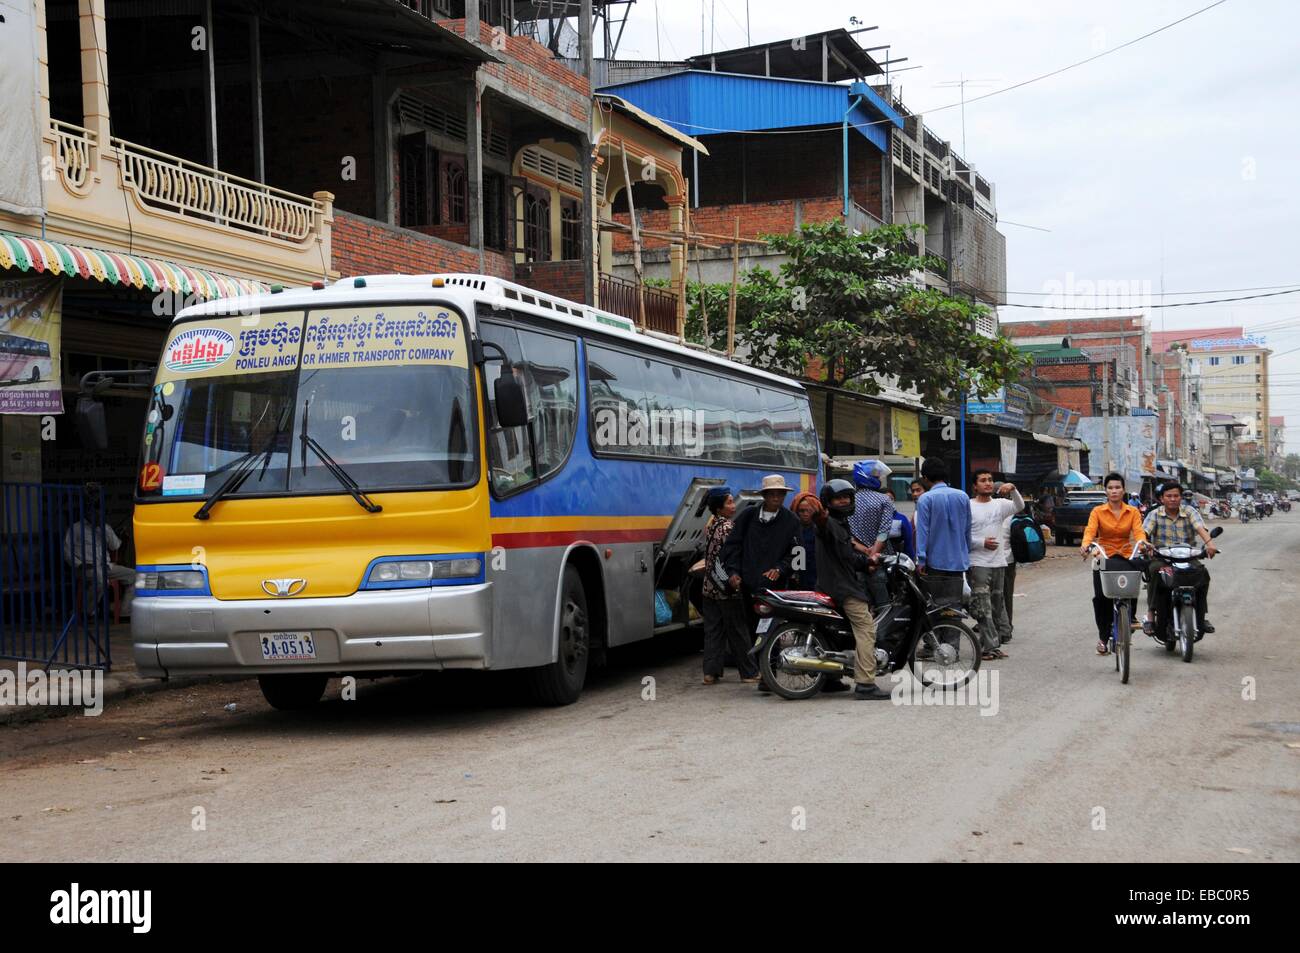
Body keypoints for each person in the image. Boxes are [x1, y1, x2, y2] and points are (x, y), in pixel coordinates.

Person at [808, 480, 889, 701]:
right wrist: (867, 562)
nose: (844, 501)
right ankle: (865, 683)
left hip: (830, 583)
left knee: (833, 633)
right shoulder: (831, 523)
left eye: (847, 497)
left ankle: (829, 678)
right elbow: (842, 551)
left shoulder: (840, 523)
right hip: (842, 587)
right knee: (866, 628)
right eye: (838, 498)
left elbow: (845, 554)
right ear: (828, 502)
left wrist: (865, 561)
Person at [722, 474, 801, 637]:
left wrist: (780, 569)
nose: (776, 497)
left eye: (780, 493)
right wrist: (733, 572)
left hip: (775, 589)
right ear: (764, 495)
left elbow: (799, 556)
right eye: (772, 493)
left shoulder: (792, 520)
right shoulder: (748, 516)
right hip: (746, 585)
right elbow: (732, 547)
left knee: (771, 632)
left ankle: (768, 661)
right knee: (747, 629)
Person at [1079, 472, 1147, 655]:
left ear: (1124, 490)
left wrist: (1143, 543)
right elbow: (1090, 532)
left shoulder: (1132, 511)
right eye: (1110, 488)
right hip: (1104, 555)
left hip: (1125, 554)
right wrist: (1086, 545)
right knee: (1101, 597)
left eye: (1117, 487)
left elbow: (1139, 532)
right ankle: (1103, 637)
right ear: (1106, 491)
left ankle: (1130, 616)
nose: (1114, 491)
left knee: (1135, 573)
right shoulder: (1097, 512)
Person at [1141, 482, 1217, 638]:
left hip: (1188, 557)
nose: (1173, 499)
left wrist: (1210, 544)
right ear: (1162, 498)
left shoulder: (1190, 511)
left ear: (1181, 497)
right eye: (1169, 496)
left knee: (1203, 574)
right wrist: (1144, 544)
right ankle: (1150, 615)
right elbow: (1144, 533)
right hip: (1162, 559)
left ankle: (1202, 616)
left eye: (1176, 496)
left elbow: (1200, 528)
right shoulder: (1154, 514)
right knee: (1154, 571)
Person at [700, 487, 759, 685]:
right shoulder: (727, 527)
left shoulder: (710, 525)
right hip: (726, 586)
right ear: (719, 508)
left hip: (709, 586)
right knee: (738, 631)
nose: (734, 506)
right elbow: (735, 553)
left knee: (713, 631)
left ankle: (710, 673)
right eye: (729, 503)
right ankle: (749, 673)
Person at [967, 470, 1023, 661]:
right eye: (983, 480)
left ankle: (993, 644)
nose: (988, 483)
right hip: (978, 562)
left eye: (990, 480)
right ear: (975, 486)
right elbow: (963, 535)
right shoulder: (968, 506)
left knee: (997, 605)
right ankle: (988, 646)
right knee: (982, 606)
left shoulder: (1000, 505)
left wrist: (1013, 489)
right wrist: (982, 543)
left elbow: (1019, 505)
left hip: (999, 562)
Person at [62, 485, 134, 618]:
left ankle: (124, 612)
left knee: (135, 576)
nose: (95, 514)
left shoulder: (104, 528)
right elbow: (67, 551)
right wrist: (79, 564)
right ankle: (87, 612)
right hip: (85, 567)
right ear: (87, 513)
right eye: (92, 512)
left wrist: (104, 529)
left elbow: (115, 546)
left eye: (98, 512)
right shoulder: (76, 528)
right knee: (100, 580)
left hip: (106, 566)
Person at [914, 456, 971, 613]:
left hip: (934, 562)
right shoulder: (963, 496)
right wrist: (966, 554)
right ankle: (952, 636)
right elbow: (967, 530)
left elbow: (923, 531)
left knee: (935, 604)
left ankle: (937, 636)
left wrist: (921, 559)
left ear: (925, 478)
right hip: (958, 561)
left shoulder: (925, 499)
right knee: (954, 604)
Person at [848, 460, 895, 611]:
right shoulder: (884, 499)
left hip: (855, 562)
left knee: (861, 607)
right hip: (879, 561)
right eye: (876, 475)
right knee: (884, 606)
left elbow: (846, 535)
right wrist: (873, 557)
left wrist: (865, 553)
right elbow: (883, 532)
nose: (879, 478)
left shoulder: (849, 500)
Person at [789, 490, 820, 590]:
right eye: (802, 511)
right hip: (797, 578)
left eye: (809, 511)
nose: (806, 514)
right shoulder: (790, 530)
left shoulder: (821, 530)